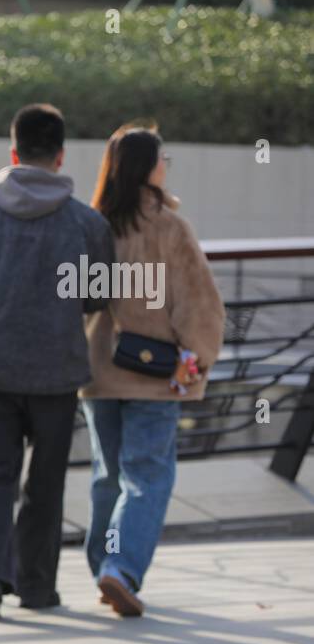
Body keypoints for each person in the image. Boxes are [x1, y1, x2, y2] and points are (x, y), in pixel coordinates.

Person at [0, 103, 115, 619]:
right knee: (45, 482)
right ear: (60, 157)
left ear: (14, 153)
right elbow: (97, 296)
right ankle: (37, 587)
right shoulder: (86, 223)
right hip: (58, 373)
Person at [82, 126, 224, 617]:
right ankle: (119, 568)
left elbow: (78, 302)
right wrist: (198, 356)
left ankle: (104, 563)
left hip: (100, 370)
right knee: (147, 476)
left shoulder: (94, 222)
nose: (167, 163)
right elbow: (197, 305)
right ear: (149, 167)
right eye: (164, 156)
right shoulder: (169, 227)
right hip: (157, 374)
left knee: (108, 475)